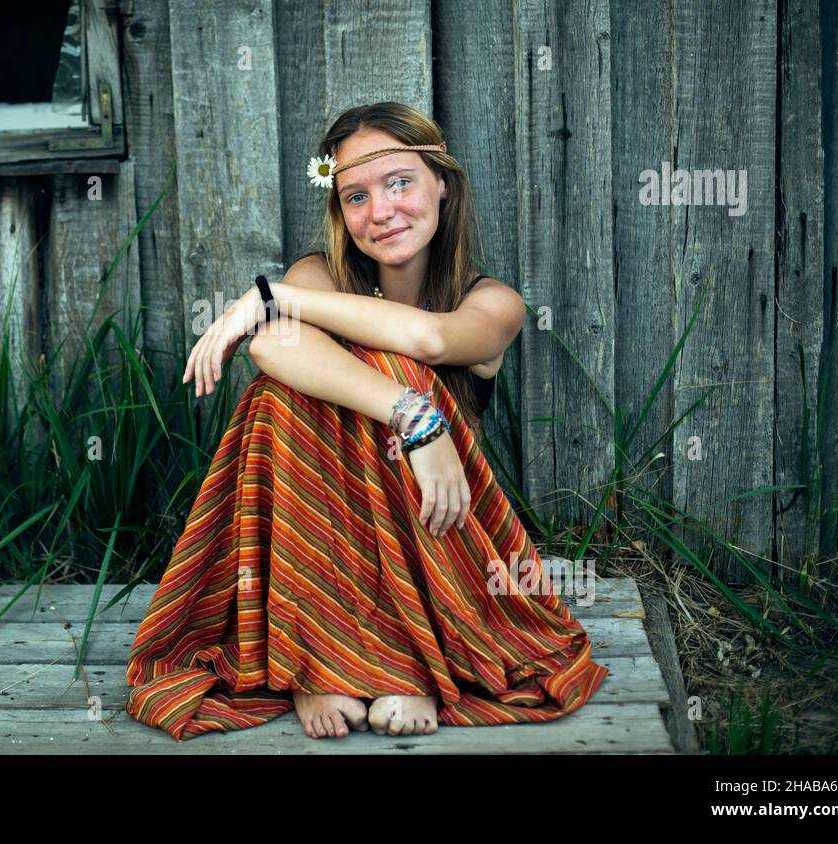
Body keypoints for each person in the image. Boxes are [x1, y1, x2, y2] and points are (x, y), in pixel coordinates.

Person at [125, 101, 609, 741]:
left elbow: (432, 343)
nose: (381, 211)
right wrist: (414, 417)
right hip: (326, 531)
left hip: (433, 532)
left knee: (399, 364)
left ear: (443, 184)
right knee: (279, 395)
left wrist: (269, 299)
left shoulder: (492, 302)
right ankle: (318, 654)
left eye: (400, 183)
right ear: (340, 211)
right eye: (355, 196)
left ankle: (409, 659)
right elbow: (271, 348)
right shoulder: (318, 274)